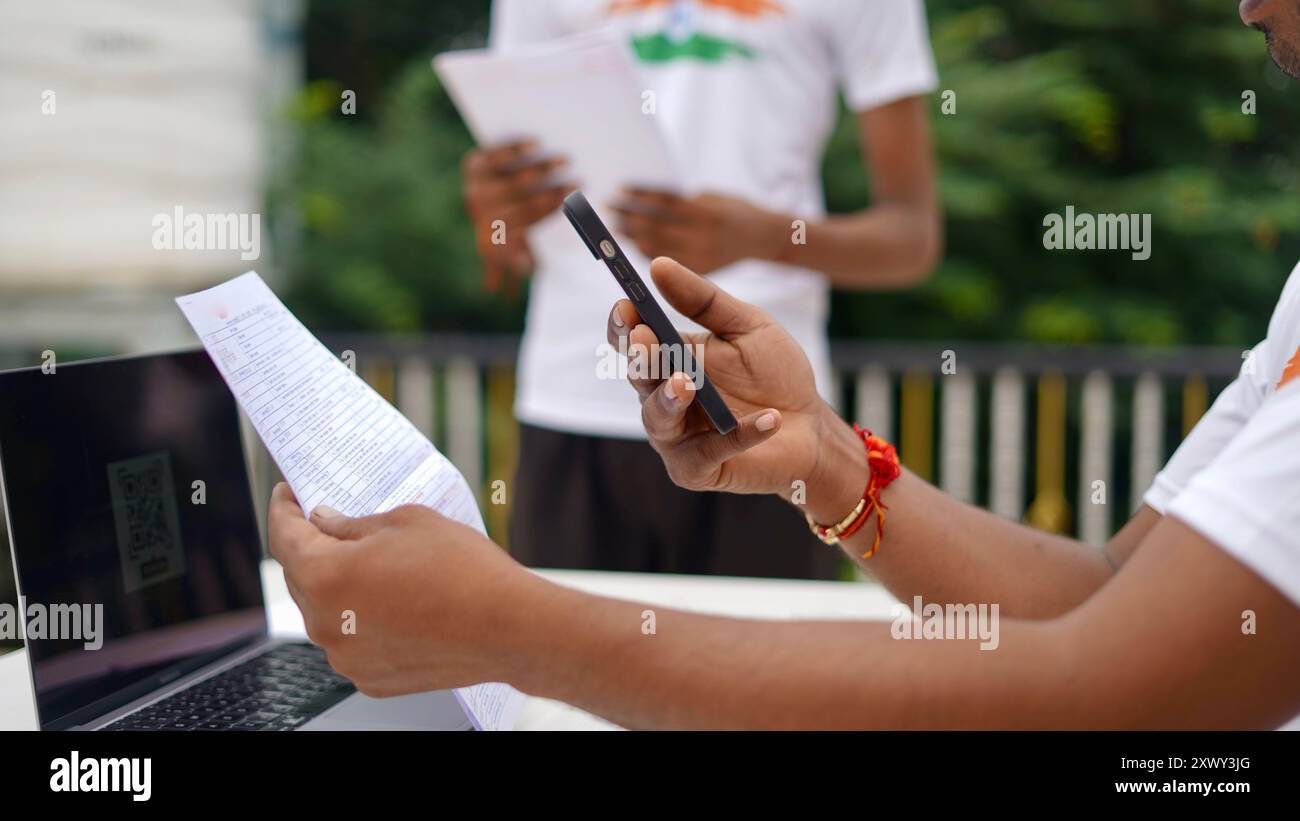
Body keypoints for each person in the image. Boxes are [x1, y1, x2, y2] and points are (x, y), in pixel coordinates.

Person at [265, 1, 1300, 728]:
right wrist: (829, 459)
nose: (1246, 10)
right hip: (673, 420)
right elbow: (1099, 598)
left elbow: (1107, 694)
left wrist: (509, 624)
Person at [462, 0, 942, 578]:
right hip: (571, 400)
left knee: (768, 667)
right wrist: (497, 215)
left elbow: (912, 238)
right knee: (558, 666)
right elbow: (507, 253)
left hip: (763, 419)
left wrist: (765, 237)